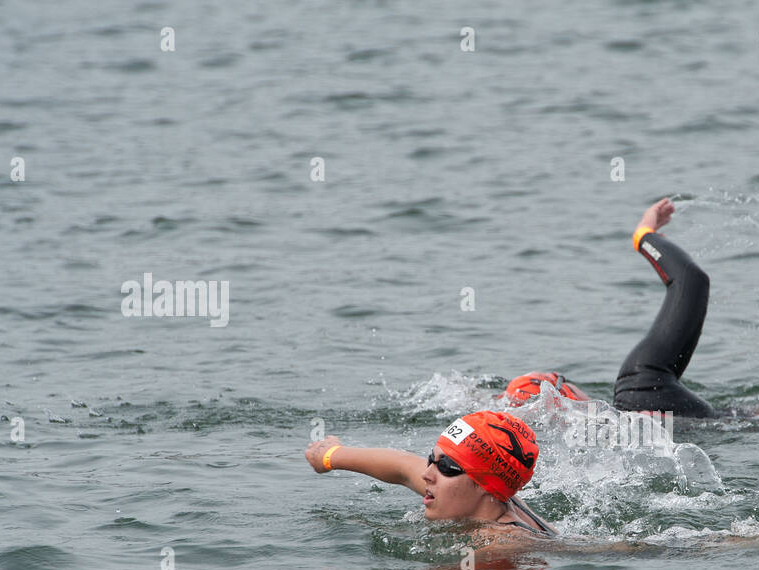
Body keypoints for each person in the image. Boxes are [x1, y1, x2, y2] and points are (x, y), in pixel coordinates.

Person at [503, 197, 720, 418]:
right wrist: (645, 235)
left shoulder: (616, 431)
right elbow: (691, 281)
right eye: (562, 379)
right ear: (565, 395)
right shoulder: (640, 386)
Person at [304, 410, 557, 538]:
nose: (427, 474)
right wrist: (330, 456)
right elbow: (403, 467)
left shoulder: (499, 543)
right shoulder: (486, 496)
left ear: (483, 485)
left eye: (446, 466)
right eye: (431, 459)